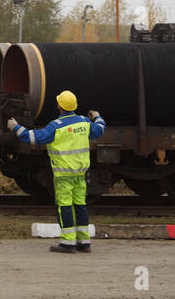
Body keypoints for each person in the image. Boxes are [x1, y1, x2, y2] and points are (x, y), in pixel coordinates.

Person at [7, 90, 106, 253]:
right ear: (74, 106)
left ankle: (68, 243)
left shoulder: (56, 127)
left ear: (59, 106)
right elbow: (100, 129)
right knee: (80, 205)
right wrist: (97, 116)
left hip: (64, 177)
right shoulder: (84, 122)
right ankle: (84, 242)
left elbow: (32, 137)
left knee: (65, 206)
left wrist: (16, 127)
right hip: (81, 175)